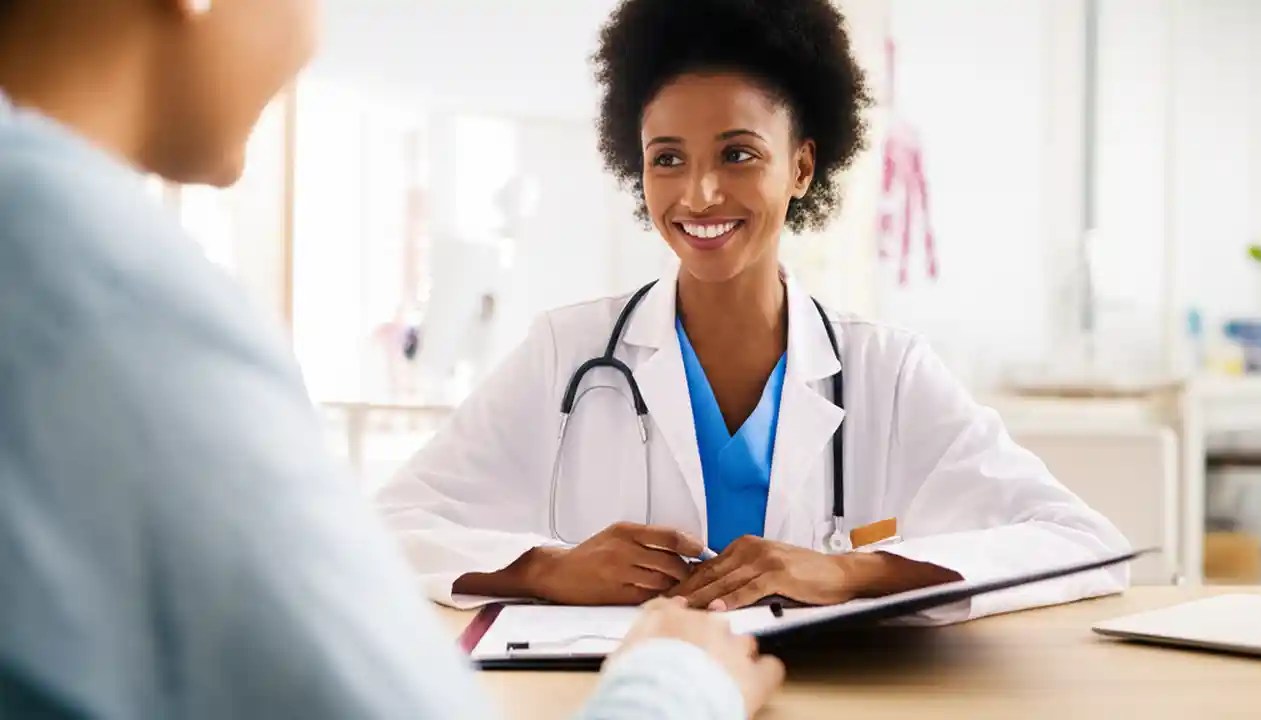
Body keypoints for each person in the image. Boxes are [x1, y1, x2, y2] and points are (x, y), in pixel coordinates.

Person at [0, 1, 781, 718]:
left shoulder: (54, 260)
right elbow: (399, 530)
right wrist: (679, 678)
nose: (308, 36)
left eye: (739, 154)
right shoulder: (104, 297)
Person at [377, 0, 1131, 616]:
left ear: (802, 166)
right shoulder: (564, 353)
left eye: (738, 154)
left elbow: (1083, 541)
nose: (699, 194)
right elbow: (378, 530)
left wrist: (851, 573)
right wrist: (545, 568)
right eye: (667, 158)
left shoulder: (885, 370)